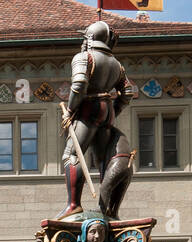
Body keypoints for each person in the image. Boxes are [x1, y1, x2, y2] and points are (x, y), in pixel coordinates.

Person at [57, 21, 135, 221]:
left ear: (89, 38)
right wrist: (112, 111)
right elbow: (127, 92)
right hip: (106, 110)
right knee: (102, 160)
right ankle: (106, 209)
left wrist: (71, 110)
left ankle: (73, 205)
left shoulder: (84, 57)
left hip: (89, 108)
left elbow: (79, 85)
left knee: (71, 155)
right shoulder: (116, 64)